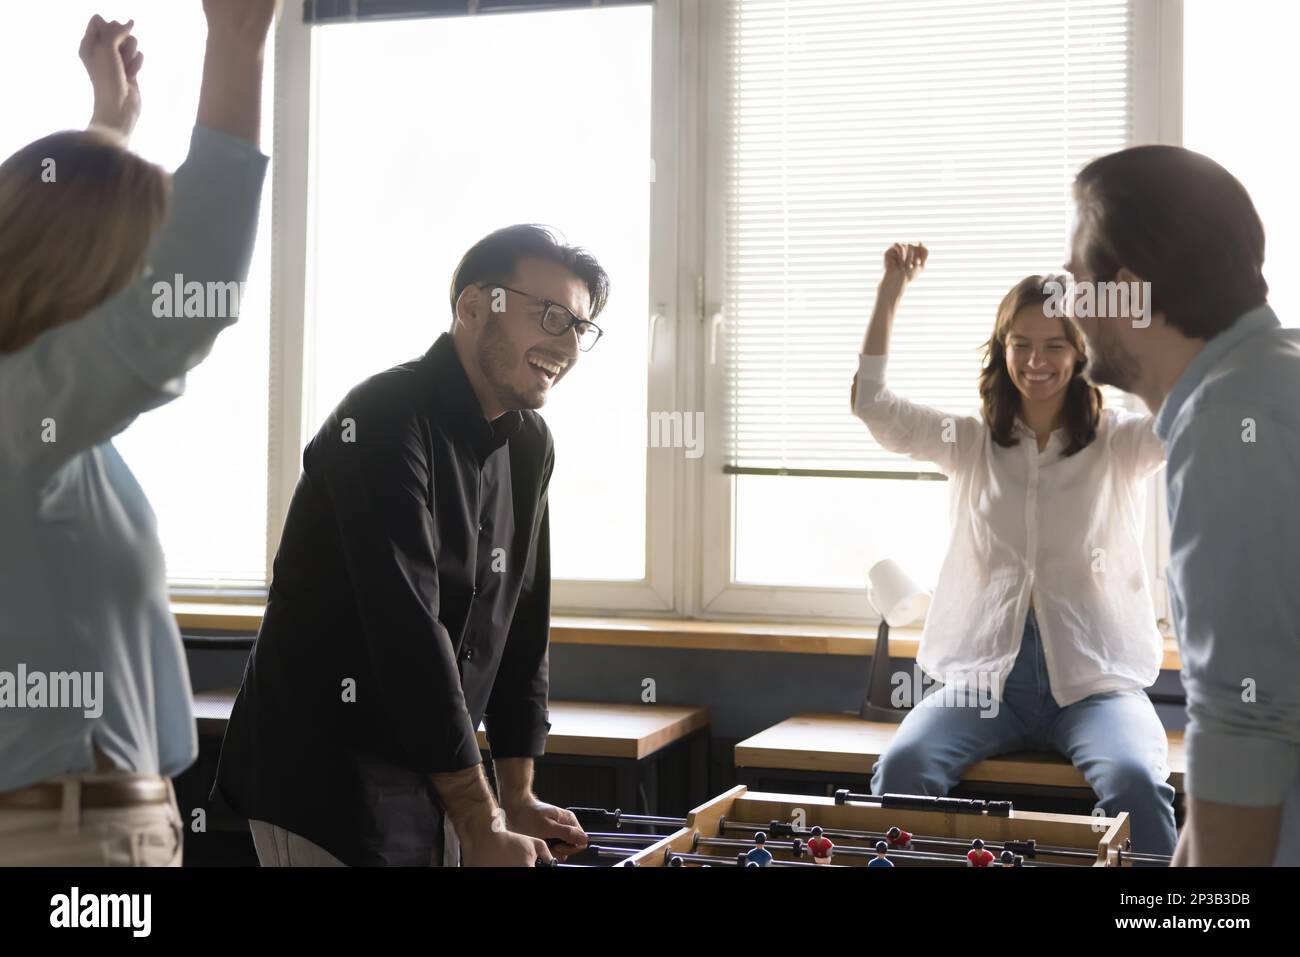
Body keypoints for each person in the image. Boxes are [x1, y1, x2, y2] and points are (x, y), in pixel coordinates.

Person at [212, 224, 607, 866]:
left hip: (441, 775)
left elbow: (520, 625)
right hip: (325, 777)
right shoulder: (381, 416)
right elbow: (407, 630)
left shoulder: (530, 442)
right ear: (474, 305)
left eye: (580, 328)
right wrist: (481, 822)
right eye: (551, 315)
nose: (566, 344)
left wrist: (518, 795)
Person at [0, 1, 275, 865]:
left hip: (84, 823)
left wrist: (109, 126)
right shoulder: (21, 415)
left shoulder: (43, 422)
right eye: (131, 251)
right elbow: (177, 304)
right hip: (61, 838)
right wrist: (237, 44)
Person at [851, 242, 1177, 856]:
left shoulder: (1118, 445)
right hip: (983, 685)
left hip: (1095, 688)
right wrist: (890, 291)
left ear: (1082, 352)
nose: (1036, 360)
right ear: (1001, 350)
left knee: (1136, 783)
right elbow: (873, 405)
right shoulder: (969, 442)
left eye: (1055, 344)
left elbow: (1190, 410)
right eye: (1020, 343)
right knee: (902, 772)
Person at [1066, 144, 1300, 866]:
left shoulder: (1227, 427)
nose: (1071, 303)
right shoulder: (1263, 381)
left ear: (1128, 292)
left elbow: (1245, 729)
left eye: (1078, 280)